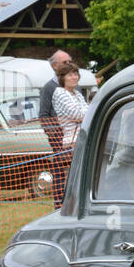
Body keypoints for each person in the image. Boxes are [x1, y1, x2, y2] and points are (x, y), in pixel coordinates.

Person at [49, 60, 87, 205]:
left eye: (76, 74)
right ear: (62, 77)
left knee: (81, 177)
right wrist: (85, 112)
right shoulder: (60, 93)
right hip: (71, 142)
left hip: (82, 139)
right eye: (70, 75)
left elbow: (87, 112)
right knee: (73, 179)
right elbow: (77, 114)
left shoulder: (77, 94)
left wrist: (85, 113)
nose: (74, 77)